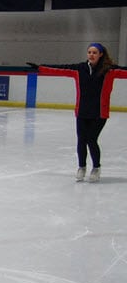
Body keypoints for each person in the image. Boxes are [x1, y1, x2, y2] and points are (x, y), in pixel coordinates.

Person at [30, 43, 127, 182]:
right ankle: (81, 167)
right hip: (82, 111)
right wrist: (40, 67)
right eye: (89, 52)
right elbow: (60, 69)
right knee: (81, 140)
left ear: (101, 54)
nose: (91, 55)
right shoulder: (79, 69)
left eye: (94, 52)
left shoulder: (109, 70)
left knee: (91, 139)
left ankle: (96, 168)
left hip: (99, 113)